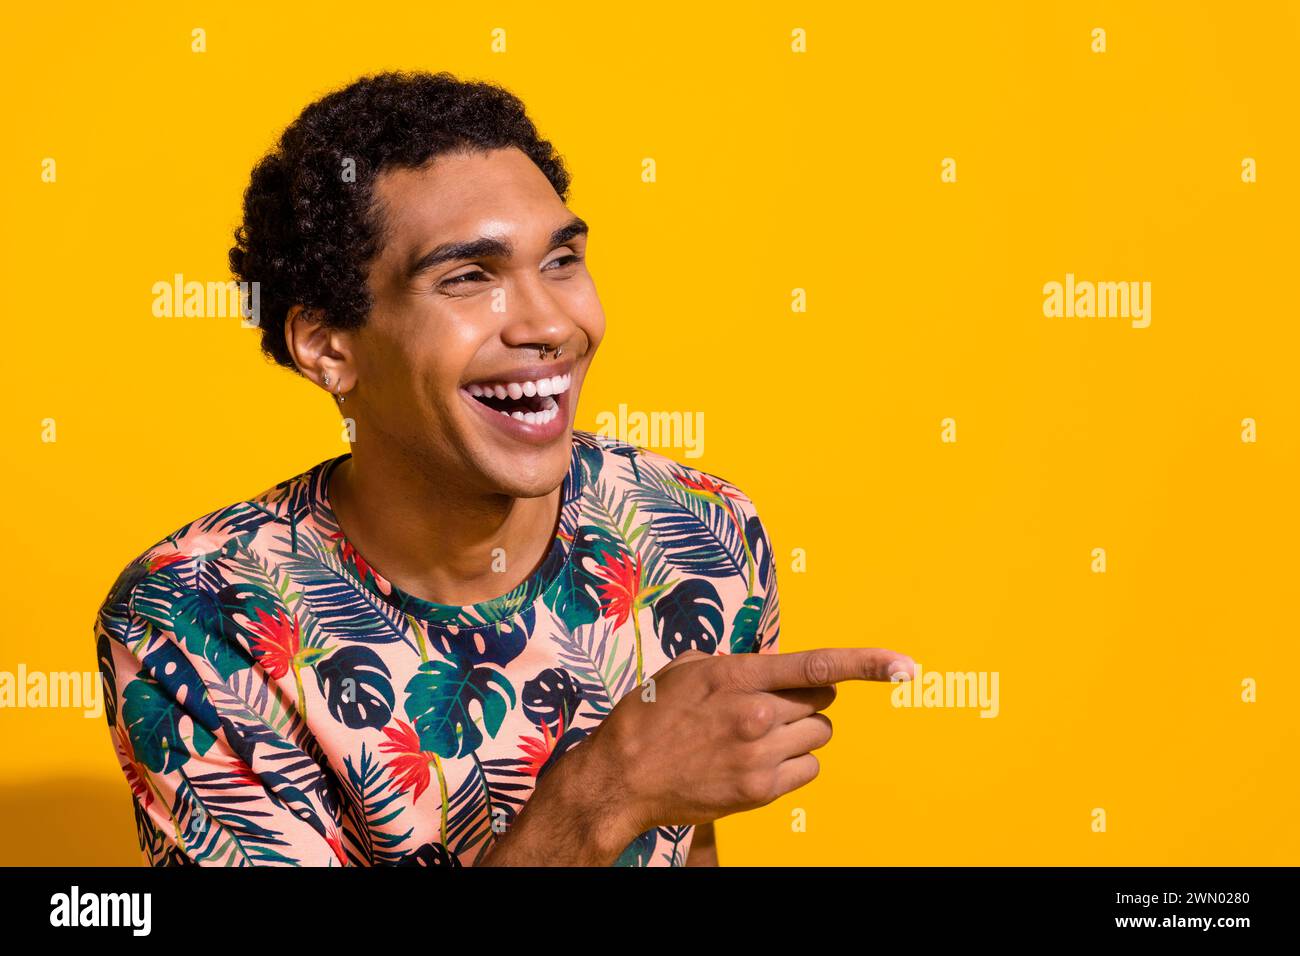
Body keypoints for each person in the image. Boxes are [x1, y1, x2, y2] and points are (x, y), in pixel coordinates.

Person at [92, 71, 914, 867]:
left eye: (561, 261)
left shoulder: (698, 533)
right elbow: (630, 800)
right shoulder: (196, 623)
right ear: (327, 345)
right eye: (468, 277)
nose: (552, 322)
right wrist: (606, 791)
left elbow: (690, 840)